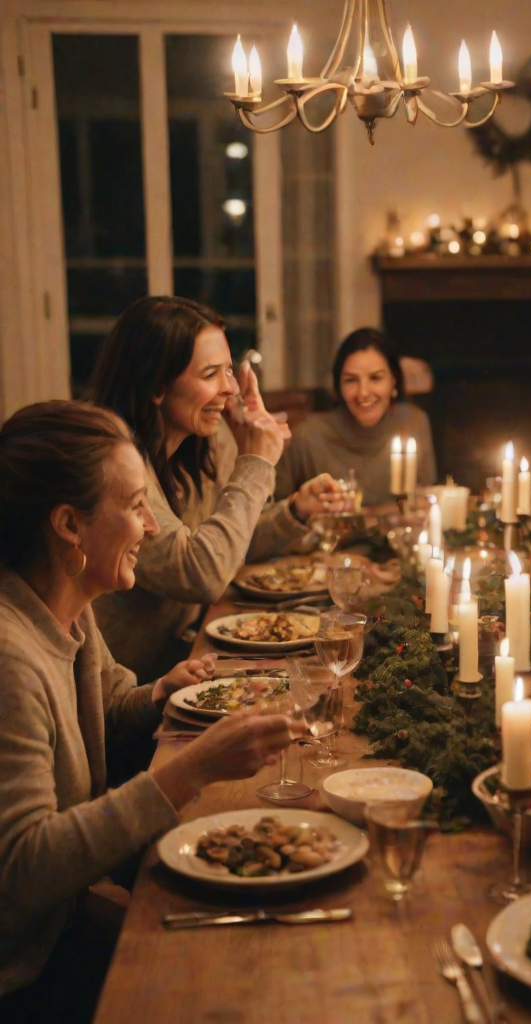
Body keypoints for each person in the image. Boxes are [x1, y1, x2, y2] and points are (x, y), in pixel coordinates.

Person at [0, 401, 296, 1022]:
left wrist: (159, 692)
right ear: (69, 524)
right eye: (136, 506)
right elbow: (22, 869)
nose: (153, 527)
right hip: (25, 973)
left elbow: (102, 707)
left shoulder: (66, 605)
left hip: (64, 918)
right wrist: (190, 770)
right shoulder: (10, 657)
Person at [88, 296, 341, 680]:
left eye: (229, 371)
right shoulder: (117, 467)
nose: (230, 389)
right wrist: (255, 464)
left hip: (185, 656)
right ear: (157, 387)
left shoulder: (199, 442)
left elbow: (226, 545)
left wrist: (294, 510)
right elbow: (203, 573)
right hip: (128, 693)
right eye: (210, 375)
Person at [275, 327, 437, 506]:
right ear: (339, 386)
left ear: (394, 381)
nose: (363, 393)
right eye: (351, 380)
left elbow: (425, 500)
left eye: (375, 378)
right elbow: (274, 513)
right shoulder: (307, 437)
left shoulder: (414, 422)